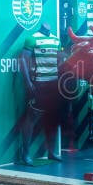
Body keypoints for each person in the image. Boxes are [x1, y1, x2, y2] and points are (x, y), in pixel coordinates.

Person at [18, 22, 62, 165]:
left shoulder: (56, 40)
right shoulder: (32, 39)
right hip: (39, 83)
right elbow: (23, 60)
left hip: (54, 84)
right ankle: (25, 153)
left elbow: (59, 62)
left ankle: (51, 152)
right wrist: (28, 82)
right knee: (32, 116)